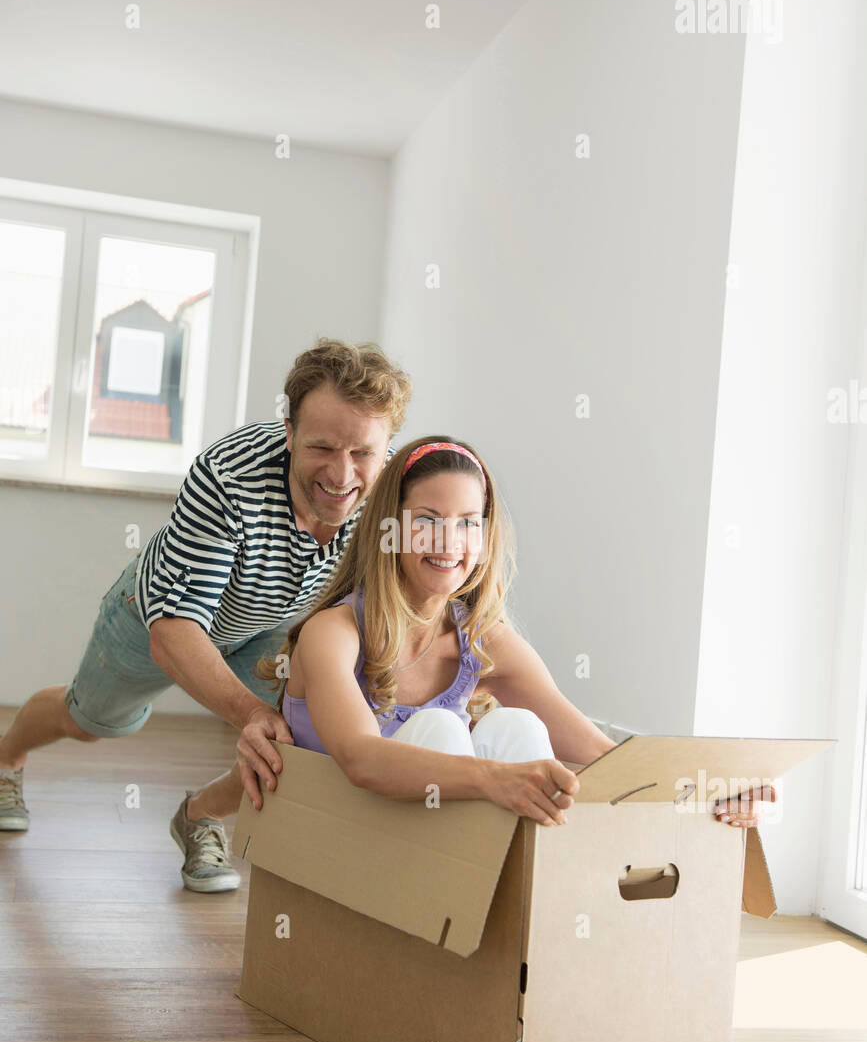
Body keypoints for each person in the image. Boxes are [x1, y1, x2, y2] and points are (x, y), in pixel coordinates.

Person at [0, 339, 412, 890]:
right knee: (88, 721)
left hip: (276, 624)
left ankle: (200, 816)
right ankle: (7, 757)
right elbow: (173, 635)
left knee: (302, 736)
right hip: (160, 617)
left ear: (387, 447)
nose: (342, 475)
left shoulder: (391, 495)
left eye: (362, 452)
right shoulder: (228, 475)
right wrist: (249, 713)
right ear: (288, 432)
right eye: (321, 447)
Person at [236, 437, 775, 827]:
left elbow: (596, 750)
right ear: (390, 527)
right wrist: (494, 780)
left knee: (517, 729)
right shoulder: (334, 632)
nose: (450, 541)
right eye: (428, 519)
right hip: (343, 841)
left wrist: (712, 791)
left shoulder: (481, 639)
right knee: (448, 735)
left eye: (469, 522)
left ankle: (523, 914)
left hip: (436, 854)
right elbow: (358, 757)